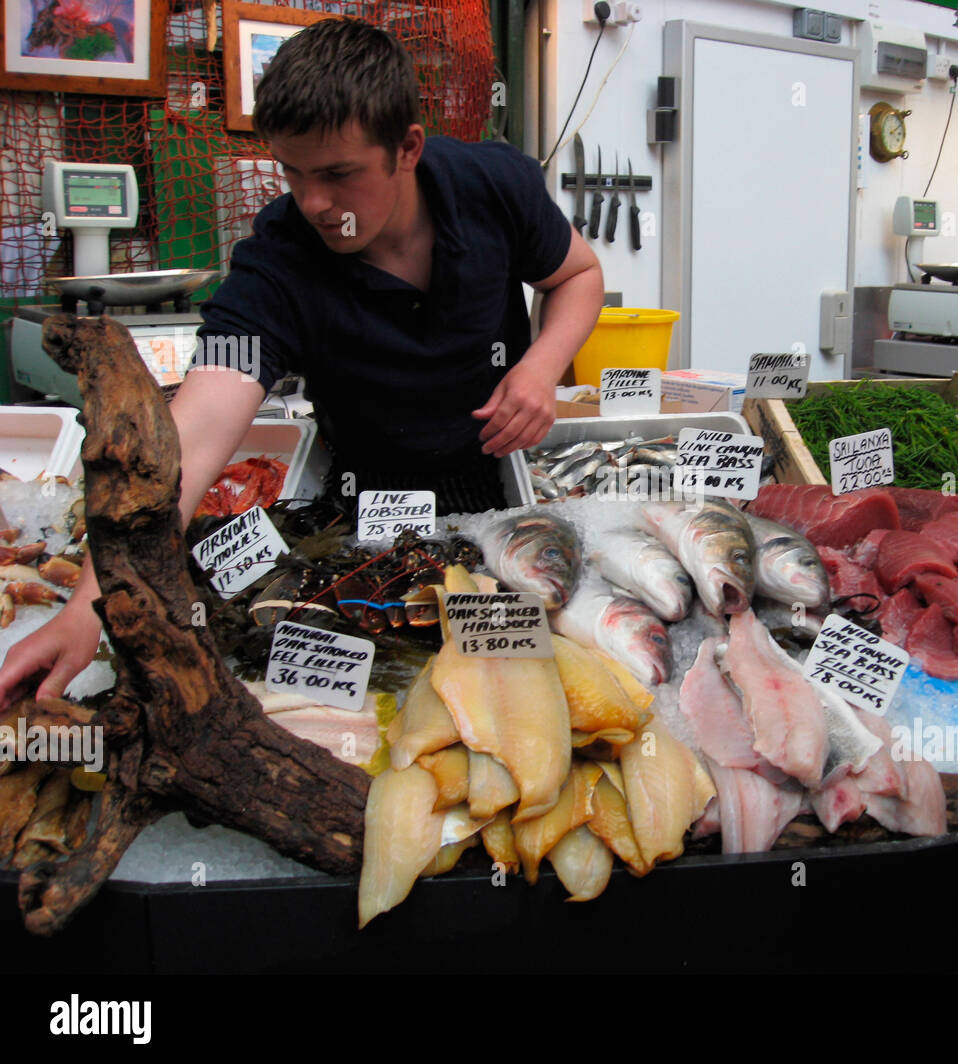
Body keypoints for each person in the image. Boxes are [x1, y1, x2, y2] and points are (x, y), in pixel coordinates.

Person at [0, 17, 603, 704]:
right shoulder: (276, 265)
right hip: (359, 498)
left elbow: (578, 275)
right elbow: (192, 432)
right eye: (292, 172)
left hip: (498, 479)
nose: (314, 203)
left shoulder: (494, 186)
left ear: (407, 148)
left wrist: (541, 367)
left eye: (339, 174)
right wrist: (90, 606)